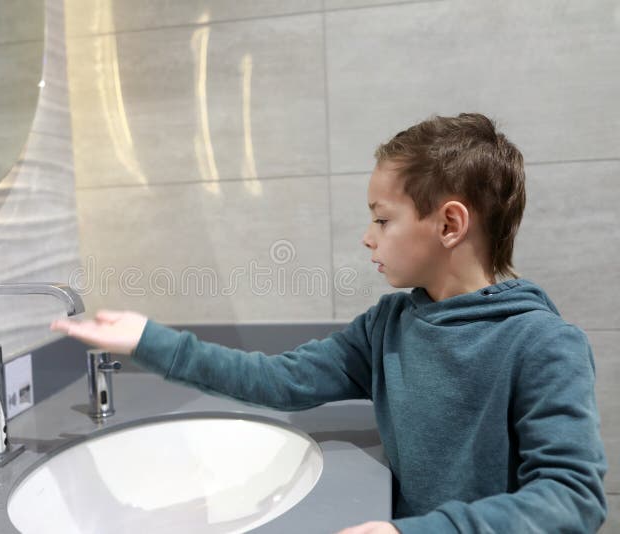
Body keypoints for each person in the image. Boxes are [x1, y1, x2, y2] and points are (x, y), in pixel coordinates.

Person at [51, 113, 607, 533]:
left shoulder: (543, 345)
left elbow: (572, 498)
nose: (367, 237)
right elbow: (279, 380)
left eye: (382, 220)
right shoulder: (389, 327)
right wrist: (151, 342)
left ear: (449, 225)